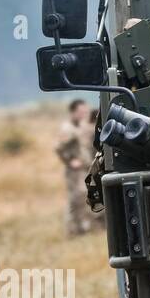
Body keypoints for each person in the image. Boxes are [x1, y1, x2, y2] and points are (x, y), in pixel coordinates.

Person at [55, 99, 98, 237]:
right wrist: (69, 161)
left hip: (85, 168)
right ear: (73, 112)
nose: (84, 114)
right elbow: (59, 148)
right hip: (75, 171)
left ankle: (83, 227)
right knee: (76, 199)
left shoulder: (81, 126)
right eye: (81, 112)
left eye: (85, 111)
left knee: (83, 198)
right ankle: (73, 231)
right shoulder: (67, 129)